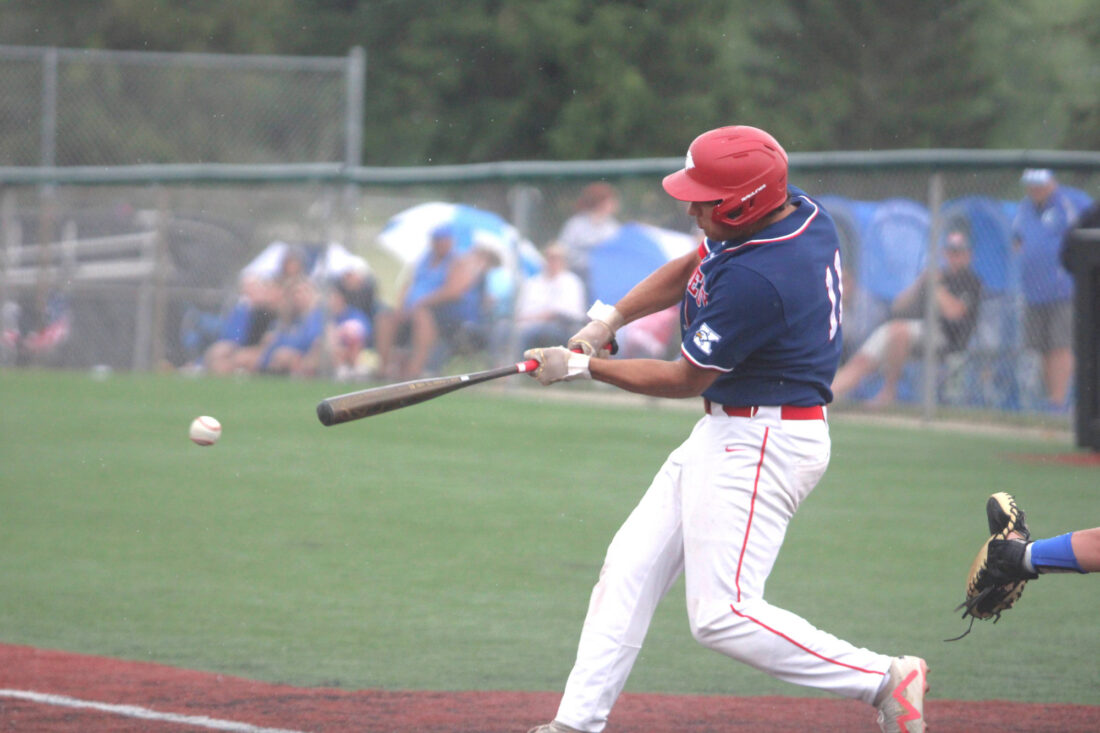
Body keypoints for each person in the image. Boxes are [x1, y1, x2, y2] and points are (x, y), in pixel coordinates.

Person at [523, 125, 927, 733]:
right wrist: (608, 320)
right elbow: (695, 262)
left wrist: (583, 367)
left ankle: (881, 678)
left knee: (722, 615)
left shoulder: (761, 280)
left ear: (745, 204)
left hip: (764, 441)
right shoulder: (796, 211)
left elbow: (686, 378)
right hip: (734, 430)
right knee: (629, 567)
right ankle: (575, 724)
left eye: (705, 199)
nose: (692, 209)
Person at [831, 230, 982, 406]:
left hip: (948, 337)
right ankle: (827, 396)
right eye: (951, 252)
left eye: (958, 252)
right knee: (864, 358)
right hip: (911, 331)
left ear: (968, 255)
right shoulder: (938, 275)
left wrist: (936, 286)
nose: (954, 257)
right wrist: (920, 282)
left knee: (899, 331)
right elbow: (898, 306)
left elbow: (954, 313)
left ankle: (889, 392)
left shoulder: (971, 281)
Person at [1012, 169, 1093, 410]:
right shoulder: (1024, 207)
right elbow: (1017, 238)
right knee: (1043, 348)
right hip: (1034, 292)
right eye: (1031, 184)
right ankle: (1052, 401)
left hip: (1064, 290)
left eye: (1039, 183)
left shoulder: (1072, 201)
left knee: (1060, 345)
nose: (1034, 189)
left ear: (1052, 181)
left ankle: (1058, 401)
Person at [373, 224, 497, 379]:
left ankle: (413, 372)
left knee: (422, 316)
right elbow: (408, 285)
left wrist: (422, 302)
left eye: (443, 240)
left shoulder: (457, 262)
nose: (440, 244)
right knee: (385, 318)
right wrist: (402, 308)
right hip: (413, 312)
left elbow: (454, 291)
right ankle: (383, 370)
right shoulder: (423, 260)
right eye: (437, 240)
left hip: (447, 317)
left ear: (450, 241)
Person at [512, 243, 587, 355]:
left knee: (535, 333)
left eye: (556, 259)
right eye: (550, 258)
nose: (552, 262)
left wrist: (541, 316)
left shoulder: (571, 282)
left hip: (563, 327)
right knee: (511, 331)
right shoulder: (533, 282)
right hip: (530, 325)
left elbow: (565, 312)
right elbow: (522, 310)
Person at [203, 273, 281, 375]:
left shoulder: (281, 313)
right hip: (249, 348)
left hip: (267, 351)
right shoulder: (257, 311)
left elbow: (269, 340)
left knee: (234, 360)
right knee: (217, 354)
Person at [557, 182, 622, 278]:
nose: (613, 204)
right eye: (610, 201)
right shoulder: (576, 224)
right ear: (600, 202)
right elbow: (563, 249)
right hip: (578, 272)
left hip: (605, 275)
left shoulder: (613, 227)